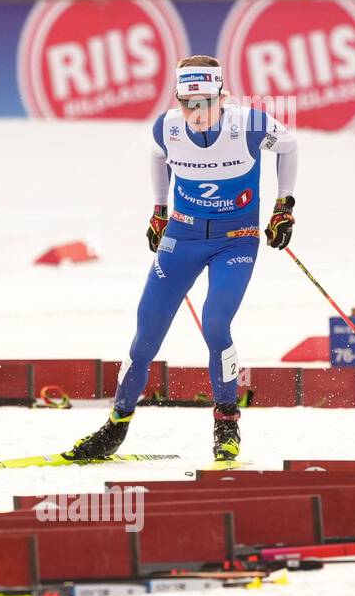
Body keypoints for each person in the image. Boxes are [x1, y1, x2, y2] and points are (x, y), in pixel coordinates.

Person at [65, 55, 298, 462]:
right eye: (187, 102)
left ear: (222, 96)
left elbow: (290, 146)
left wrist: (284, 206)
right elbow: (158, 156)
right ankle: (115, 427)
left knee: (215, 323)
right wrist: (158, 209)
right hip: (182, 238)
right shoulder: (167, 126)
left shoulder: (250, 124)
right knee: (145, 338)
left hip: (235, 241)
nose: (196, 113)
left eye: (205, 102)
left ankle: (227, 424)